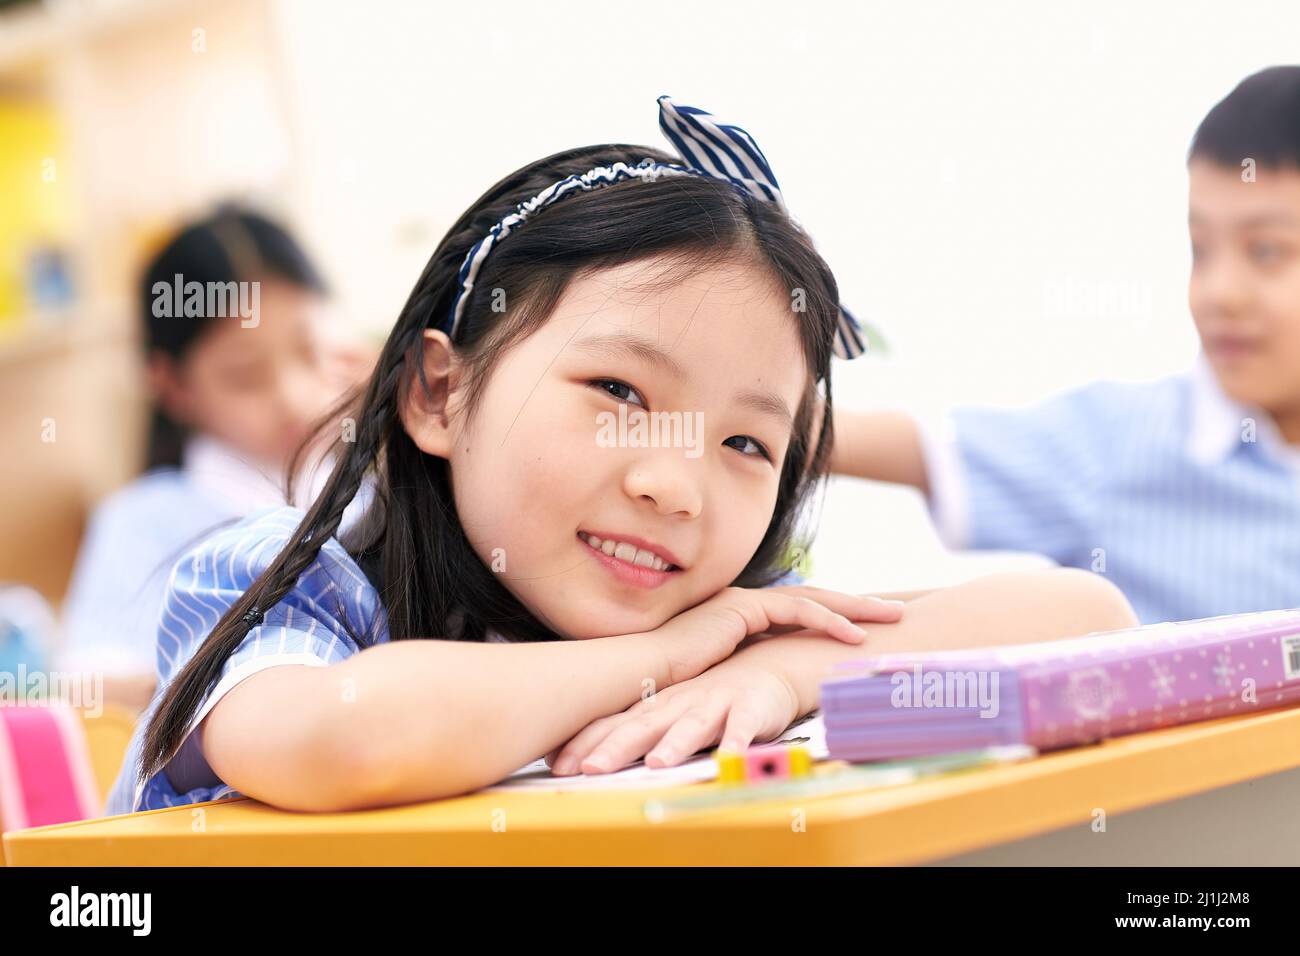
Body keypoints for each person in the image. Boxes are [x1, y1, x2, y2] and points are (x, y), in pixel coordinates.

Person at [105, 96, 1135, 816]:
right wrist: (666, 660)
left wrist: (794, 661)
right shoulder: (297, 575)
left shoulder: (720, 612)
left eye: (744, 440)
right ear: (439, 390)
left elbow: (1086, 619)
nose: (672, 480)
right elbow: (341, 737)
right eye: (619, 393)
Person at [833, 67, 1300, 624]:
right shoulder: (1121, 443)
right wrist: (742, 423)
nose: (1219, 292)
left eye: (1267, 251)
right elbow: (917, 447)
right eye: (1200, 249)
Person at [59, 207, 373, 711]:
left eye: (310, 350)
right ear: (172, 384)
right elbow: (88, 690)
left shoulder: (376, 490)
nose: (292, 396)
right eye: (245, 376)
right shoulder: (141, 520)